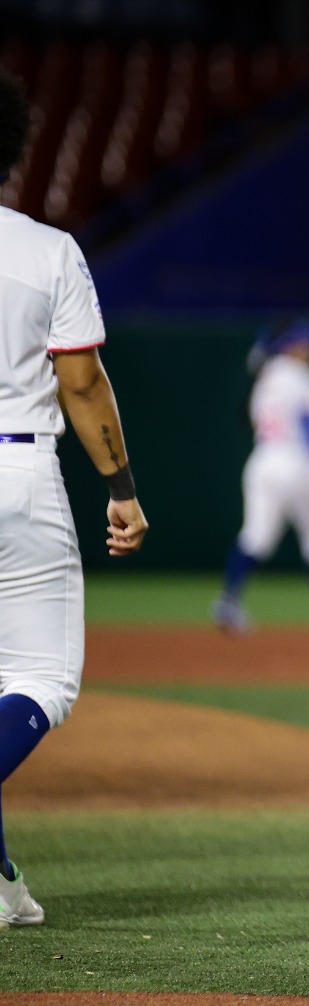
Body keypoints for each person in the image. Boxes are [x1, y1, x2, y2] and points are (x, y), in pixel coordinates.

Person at [0, 71, 150, 926]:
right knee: (42, 681)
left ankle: (2, 886)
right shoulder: (46, 249)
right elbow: (82, 382)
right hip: (17, 470)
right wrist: (121, 489)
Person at [210, 318, 309, 637]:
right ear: (291, 346)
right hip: (297, 461)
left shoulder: (266, 377)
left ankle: (228, 601)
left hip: (263, 462)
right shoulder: (303, 377)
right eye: (306, 342)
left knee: (256, 536)